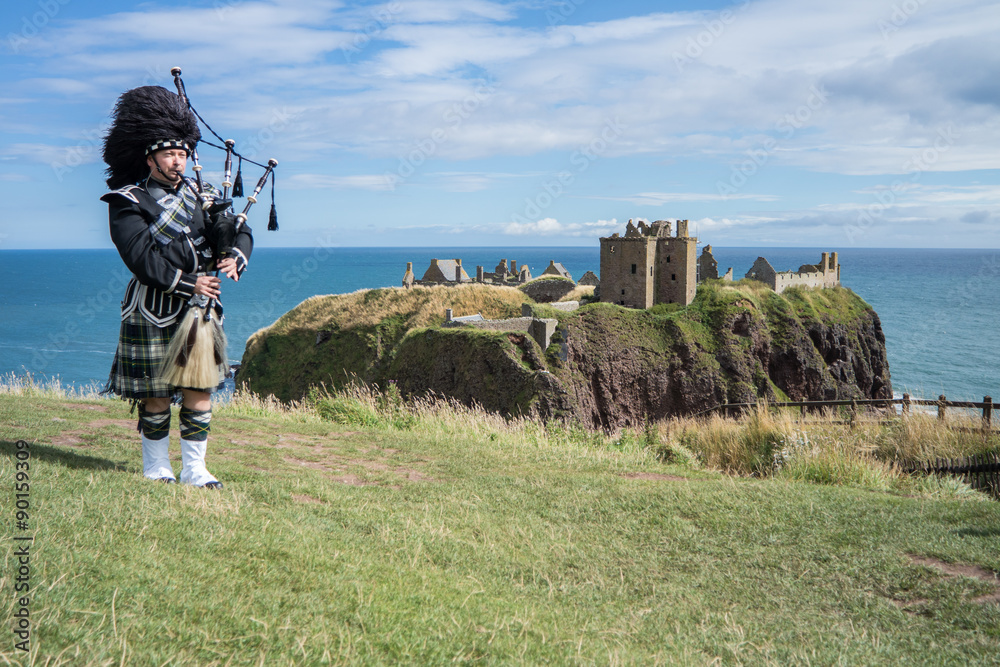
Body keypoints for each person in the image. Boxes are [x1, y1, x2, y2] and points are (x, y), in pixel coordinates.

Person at [101, 86, 253, 488]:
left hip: (200, 309)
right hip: (153, 305)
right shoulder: (127, 200)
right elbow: (140, 256)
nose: (177, 161)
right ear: (149, 158)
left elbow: (238, 230)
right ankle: (156, 467)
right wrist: (189, 283)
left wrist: (235, 253)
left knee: (198, 388)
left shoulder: (205, 196)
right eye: (169, 154)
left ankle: (195, 469)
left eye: (183, 154)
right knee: (155, 394)